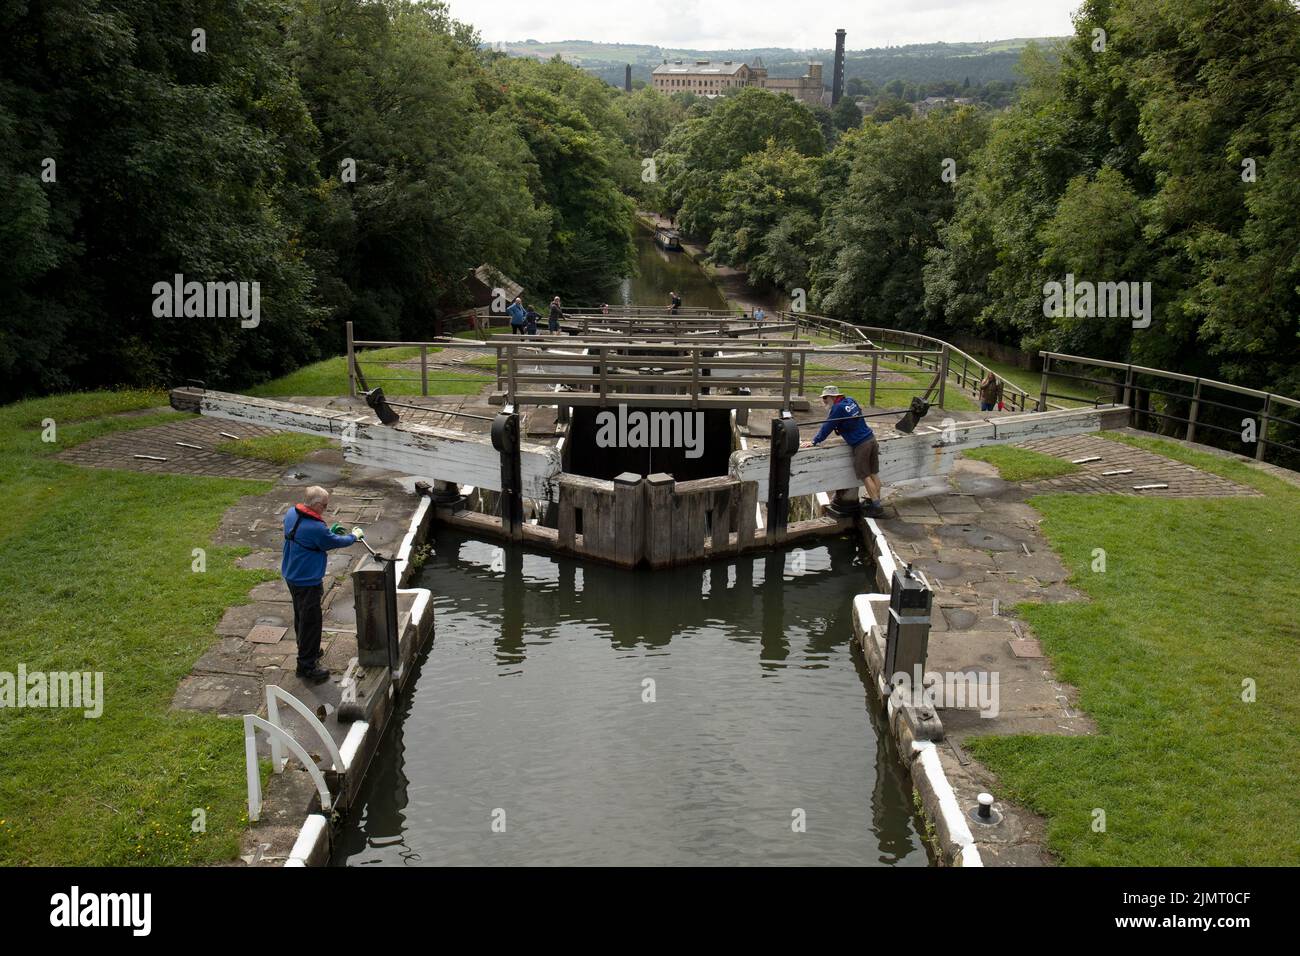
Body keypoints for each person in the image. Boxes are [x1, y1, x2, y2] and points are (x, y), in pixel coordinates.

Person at [282, 486, 363, 683]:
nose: (326, 509)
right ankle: (306, 666)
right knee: (311, 623)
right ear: (316, 504)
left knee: (301, 616)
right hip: (307, 580)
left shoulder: (292, 513)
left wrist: (328, 531)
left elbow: (320, 537)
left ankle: (307, 649)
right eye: (325, 506)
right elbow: (331, 541)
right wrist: (354, 536)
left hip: (292, 574)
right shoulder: (315, 528)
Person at [800, 385, 885, 519]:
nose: (824, 402)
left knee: (865, 475)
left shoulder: (837, 408)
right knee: (874, 472)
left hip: (861, 444)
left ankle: (876, 507)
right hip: (871, 439)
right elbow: (856, 418)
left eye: (825, 399)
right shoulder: (851, 401)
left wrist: (814, 441)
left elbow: (827, 426)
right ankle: (874, 501)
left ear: (832, 397)